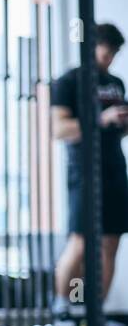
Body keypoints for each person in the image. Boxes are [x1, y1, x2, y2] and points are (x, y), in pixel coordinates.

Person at [52, 22, 128, 311]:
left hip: (114, 169)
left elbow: (117, 131)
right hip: (84, 171)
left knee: (111, 243)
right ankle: (65, 306)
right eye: (106, 52)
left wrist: (121, 123)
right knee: (82, 241)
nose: (110, 59)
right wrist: (100, 120)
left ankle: (94, 311)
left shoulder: (116, 83)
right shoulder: (69, 82)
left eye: (114, 54)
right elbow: (59, 130)